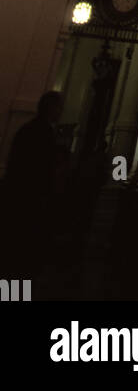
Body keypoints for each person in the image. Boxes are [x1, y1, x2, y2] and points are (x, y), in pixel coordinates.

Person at [1, 90, 66, 272]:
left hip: (19, 198)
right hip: (30, 201)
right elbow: (40, 169)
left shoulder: (28, 129)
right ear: (51, 108)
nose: (61, 112)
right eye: (59, 107)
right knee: (20, 260)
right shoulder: (42, 133)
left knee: (13, 259)